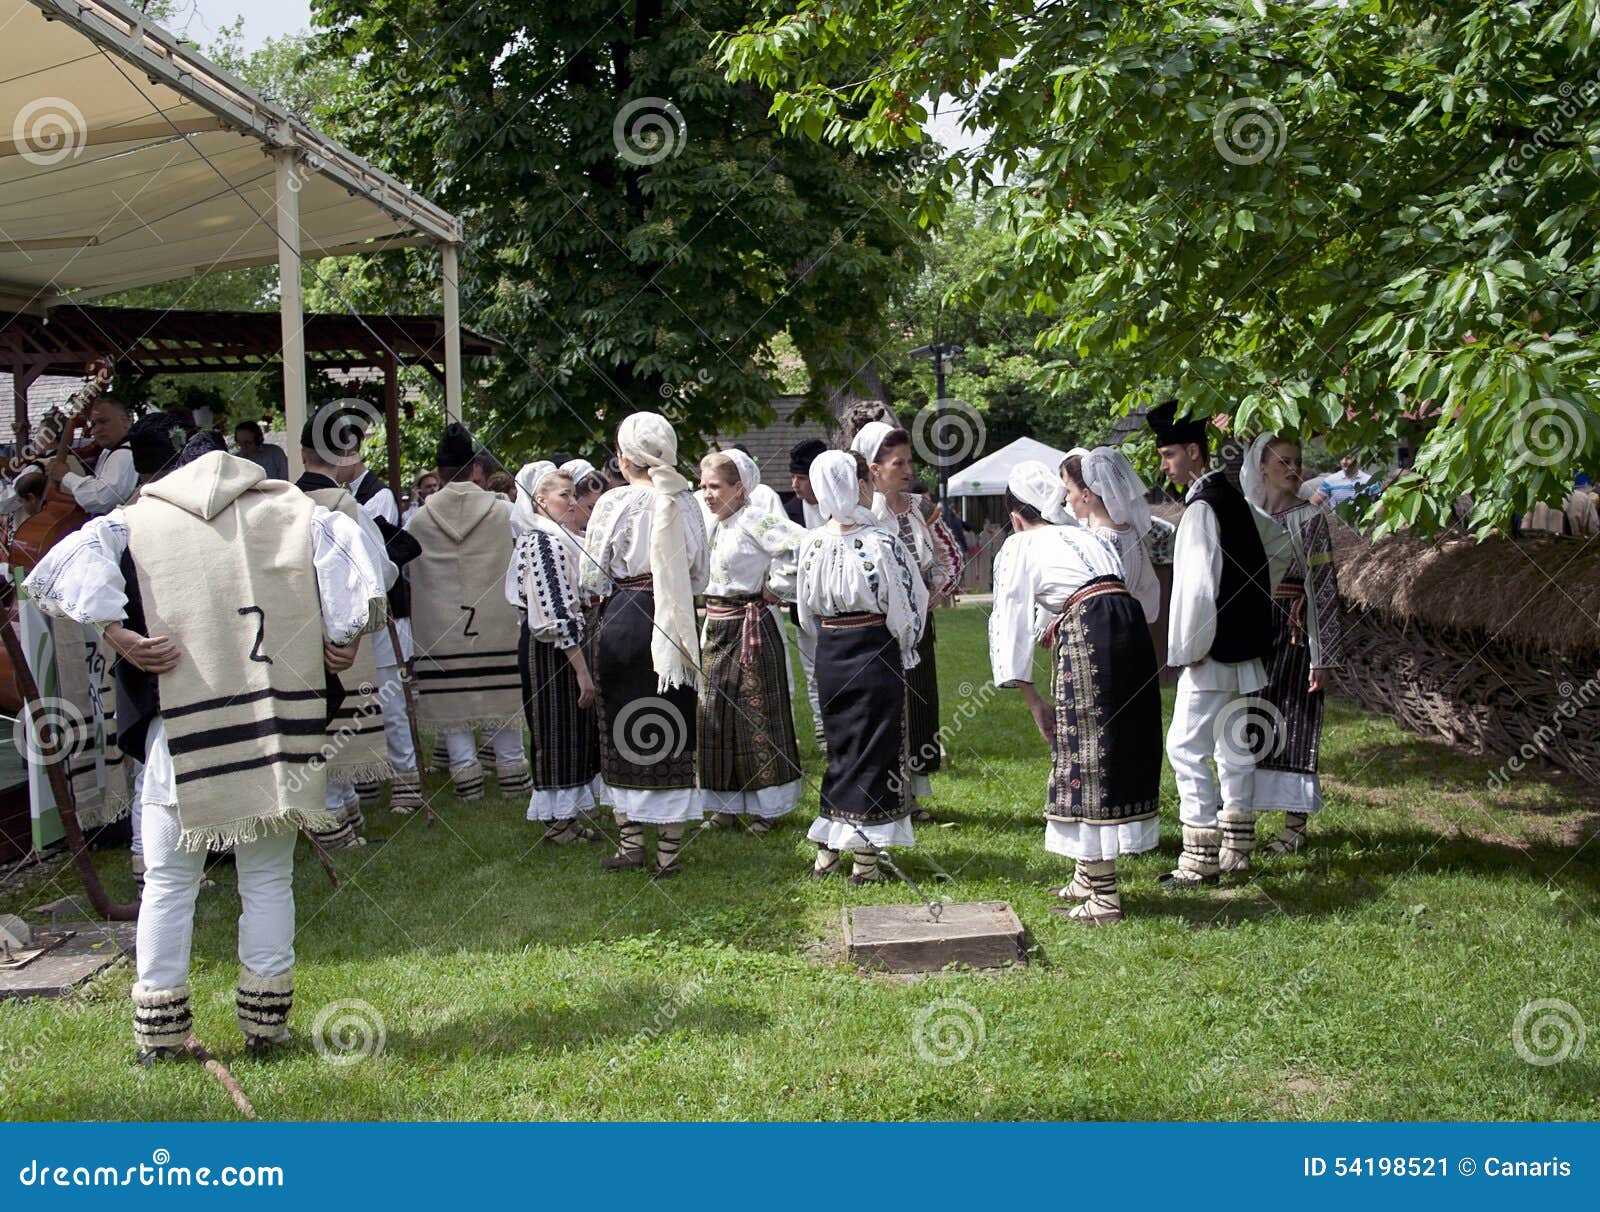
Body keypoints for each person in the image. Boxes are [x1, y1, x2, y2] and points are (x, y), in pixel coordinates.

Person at [24, 420, 388, 1062]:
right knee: (269, 876)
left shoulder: (135, 521)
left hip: (180, 734)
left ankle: (158, 1035)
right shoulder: (297, 510)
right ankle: (265, 1028)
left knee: (168, 881)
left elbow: (67, 567)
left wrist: (120, 636)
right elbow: (364, 571)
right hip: (277, 726)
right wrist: (345, 635)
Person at [989, 461, 1162, 924]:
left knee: (1087, 749)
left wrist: (1031, 701)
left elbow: (1009, 621)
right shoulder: (1087, 535)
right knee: (1118, 742)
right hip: (1128, 629)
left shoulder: (1019, 544)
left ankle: (1105, 897)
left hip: (1093, 631)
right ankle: (1088, 874)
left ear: (1016, 517)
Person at [1148, 402, 1291, 888]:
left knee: (1185, 748)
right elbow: (1280, 545)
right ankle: (1237, 848)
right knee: (1233, 748)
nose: (1164, 465)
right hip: (1242, 646)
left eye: (1169, 455)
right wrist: (1253, 600)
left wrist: (1188, 650)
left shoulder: (1203, 506)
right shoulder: (1232, 499)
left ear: (1193, 451)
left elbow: (1194, 589)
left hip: (1211, 652)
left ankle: (1199, 855)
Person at [580, 412, 708, 878]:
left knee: (620, 726)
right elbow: (701, 575)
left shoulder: (613, 503)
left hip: (624, 618)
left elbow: (591, 575)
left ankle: (631, 843)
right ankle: (667, 853)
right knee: (672, 722)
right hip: (673, 620)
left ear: (623, 456)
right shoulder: (687, 502)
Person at [797, 450, 926, 883]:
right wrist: (906, 646)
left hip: (830, 651)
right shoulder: (880, 541)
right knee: (873, 750)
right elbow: (908, 604)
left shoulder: (811, 542)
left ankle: (827, 854)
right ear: (855, 485)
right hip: (873, 649)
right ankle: (865, 861)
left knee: (841, 750)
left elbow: (804, 610)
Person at [407, 423, 530, 800]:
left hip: (442, 628)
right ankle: (511, 772)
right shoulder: (504, 512)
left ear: (439, 472)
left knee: (452, 701)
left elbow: (407, 571)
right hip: (497, 625)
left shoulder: (418, 520)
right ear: (474, 468)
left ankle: (465, 775)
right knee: (503, 698)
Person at [297, 418, 401, 847]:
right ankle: (337, 821)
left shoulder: (281, 502)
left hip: (296, 630)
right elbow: (379, 572)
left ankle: (336, 816)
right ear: (343, 458)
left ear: (302, 453)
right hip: (343, 632)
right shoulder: (346, 507)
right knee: (340, 722)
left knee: (312, 720)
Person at [1239, 434, 1343, 855]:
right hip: (1250, 632)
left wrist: (1324, 655)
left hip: (1296, 632)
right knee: (1245, 722)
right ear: (1261, 467)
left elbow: (1323, 589)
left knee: (1295, 720)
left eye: (1297, 461)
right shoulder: (1245, 517)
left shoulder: (1310, 519)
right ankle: (1239, 818)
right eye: (1282, 461)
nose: (1292, 468)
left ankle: (1294, 828)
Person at [697, 449, 805, 833]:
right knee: (715, 713)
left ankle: (767, 809)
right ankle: (724, 805)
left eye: (715, 486)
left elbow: (801, 547)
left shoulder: (755, 520)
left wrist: (775, 589)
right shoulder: (713, 525)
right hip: (715, 627)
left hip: (751, 627)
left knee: (756, 713)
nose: (707, 494)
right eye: (703, 486)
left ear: (738, 488)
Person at [850, 422, 956, 815]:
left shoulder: (918, 506)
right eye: (898, 463)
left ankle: (910, 792)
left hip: (917, 626)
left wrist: (930, 597)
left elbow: (950, 555)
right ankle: (884, 791)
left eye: (909, 461)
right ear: (873, 468)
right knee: (885, 708)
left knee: (917, 703)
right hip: (877, 630)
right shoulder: (859, 515)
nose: (908, 470)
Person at [329, 419, 425, 814]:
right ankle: (362, 777)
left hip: (383, 613)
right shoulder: (333, 495)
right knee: (354, 699)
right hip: (346, 618)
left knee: (390, 698)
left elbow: (375, 558)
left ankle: (406, 781)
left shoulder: (376, 495)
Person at [509, 463, 604, 843]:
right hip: (551, 650)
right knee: (556, 728)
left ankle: (568, 818)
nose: (571, 502)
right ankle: (557, 824)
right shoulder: (542, 541)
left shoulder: (561, 536)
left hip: (565, 647)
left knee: (574, 728)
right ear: (538, 500)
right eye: (562, 495)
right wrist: (582, 669)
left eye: (572, 494)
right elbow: (554, 612)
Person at [1060, 448, 1161, 624]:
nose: (1067, 499)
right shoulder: (1131, 532)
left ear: (1085, 494)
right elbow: (1148, 591)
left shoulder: (1097, 541)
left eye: (1069, 491)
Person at [782, 438, 829, 742]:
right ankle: (822, 730)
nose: (795, 485)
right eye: (793, 477)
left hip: (840, 607)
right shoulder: (788, 512)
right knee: (813, 671)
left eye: (801, 478)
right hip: (804, 607)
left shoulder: (839, 507)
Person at [48, 397, 137, 516]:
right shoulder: (108, 451)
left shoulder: (123, 454)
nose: (95, 430)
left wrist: (66, 476)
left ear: (125, 421)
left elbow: (102, 499)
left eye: (103, 421)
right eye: (94, 424)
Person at [1301, 453, 1372, 508]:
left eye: (1348, 458)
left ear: (1357, 459)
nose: (1344, 461)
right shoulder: (1330, 480)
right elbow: (1313, 503)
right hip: (1339, 525)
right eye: (1341, 459)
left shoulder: (1370, 480)